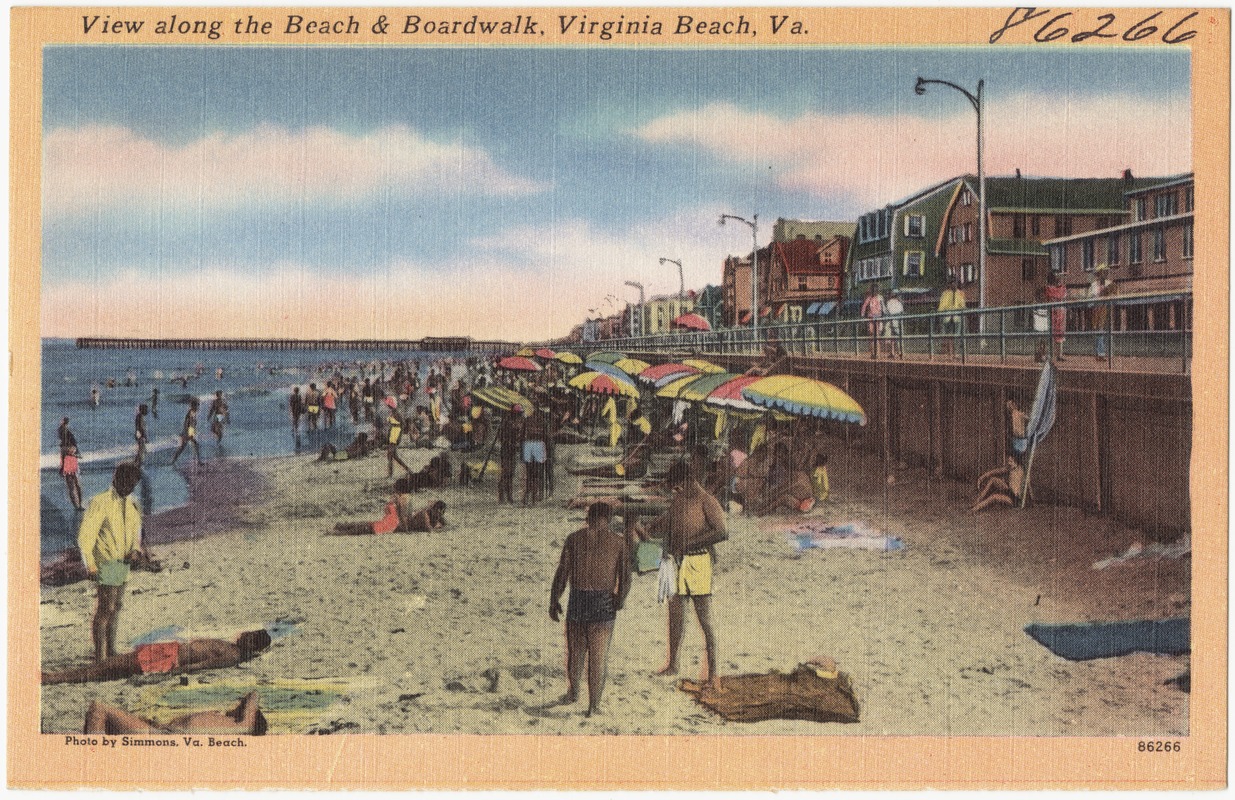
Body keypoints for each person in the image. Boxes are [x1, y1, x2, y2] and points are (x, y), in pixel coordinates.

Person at [645, 462, 728, 691]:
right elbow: (667, 522)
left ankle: (713, 676)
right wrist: (649, 528)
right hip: (677, 561)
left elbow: (721, 532)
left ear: (688, 481)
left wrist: (689, 544)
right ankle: (673, 664)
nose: (676, 490)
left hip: (699, 561)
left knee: (705, 620)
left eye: (678, 486)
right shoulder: (680, 498)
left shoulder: (707, 501)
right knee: (675, 615)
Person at [549, 501, 632, 717]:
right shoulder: (618, 542)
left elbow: (562, 573)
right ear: (610, 519)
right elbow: (625, 577)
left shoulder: (574, 538)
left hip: (578, 597)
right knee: (598, 657)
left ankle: (573, 692)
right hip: (602, 601)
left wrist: (554, 599)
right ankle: (593, 706)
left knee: (575, 652)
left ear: (588, 517)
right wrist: (620, 599)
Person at [77, 462, 143, 663]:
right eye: (128, 482)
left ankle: (111, 650)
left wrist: (135, 551)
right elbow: (85, 536)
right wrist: (90, 564)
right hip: (106, 561)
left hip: (123, 563)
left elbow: (135, 533)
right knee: (105, 608)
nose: (130, 487)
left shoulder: (132, 503)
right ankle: (100, 656)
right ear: (117, 479)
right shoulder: (100, 502)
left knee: (116, 606)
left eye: (133, 484)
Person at [43, 629, 272, 684]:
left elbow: (200, 666)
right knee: (112, 664)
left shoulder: (232, 655)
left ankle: (54, 678)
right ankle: (59, 676)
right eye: (248, 633)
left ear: (252, 646)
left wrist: (168, 673)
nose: (244, 635)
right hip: (169, 651)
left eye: (249, 637)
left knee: (111, 666)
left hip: (169, 658)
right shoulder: (233, 648)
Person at [84, 691, 267, 736]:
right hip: (163, 733)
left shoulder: (240, 727)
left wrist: (247, 709)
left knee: (99, 709)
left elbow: (254, 695)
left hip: (164, 739)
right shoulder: (224, 724)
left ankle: (91, 765)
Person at [1088, 264, 1116, 361]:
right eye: (1102, 273)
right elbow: (1091, 297)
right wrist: (1100, 294)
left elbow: (1115, 294)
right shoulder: (1094, 285)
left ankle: (1107, 352)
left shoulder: (1110, 283)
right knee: (1099, 331)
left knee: (1108, 330)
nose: (1105, 274)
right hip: (1098, 309)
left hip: (1108, 309)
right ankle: (1100, 353)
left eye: (1105, 272)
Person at [497, 406, 524, 504]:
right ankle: (502, 496)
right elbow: (502, 437)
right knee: (506, 473)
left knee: (510, 473)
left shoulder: (516, 422)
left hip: (511, 450)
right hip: (506, 449)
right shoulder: (507, 423)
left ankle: (508, 496)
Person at [383, 396, 412, 478]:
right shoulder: (393, 412)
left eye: (388, 404)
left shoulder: (396, 413)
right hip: (393, 433)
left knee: (391, 454)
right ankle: (407, 470)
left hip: (396, 434)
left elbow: (403, 424)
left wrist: (399, 437)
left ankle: (391, 474)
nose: (387, 406)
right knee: (393, 456)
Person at [938, 276, 967, 357]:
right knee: (947, 335)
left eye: (955, 283)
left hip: (957, 317)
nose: (954, 285)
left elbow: (963, 305)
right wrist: (941, 313)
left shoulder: (960, 293)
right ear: (949, 284)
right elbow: (942, 305)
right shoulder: (945, 293)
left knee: (956, 336)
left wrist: (963, 310)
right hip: (947, 316)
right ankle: (949, 354)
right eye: (952, 283)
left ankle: (955, 353)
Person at [1045, 271, 1069, 362]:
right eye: (1057, 277)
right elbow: (1052, 298)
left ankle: (1059, 354)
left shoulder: (1062, 288)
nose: (1059, 279)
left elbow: (1063, 297)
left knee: (1060, 333)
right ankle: (1050, 354)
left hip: (1061, 312)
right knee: (1052, 332)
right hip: (1053, 312)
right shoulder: (1049, 288)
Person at [170, 399, 202, 466]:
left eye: (198, 405)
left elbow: (192, 423)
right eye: (197, 405)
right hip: (187, 432)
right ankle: (173, 461)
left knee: (190, 446)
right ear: (193, 406)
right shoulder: (190, 413)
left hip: (190, 431)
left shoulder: (193, 412)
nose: (198, 407)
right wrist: (188, 433)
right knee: (185, 447)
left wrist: (193, 431)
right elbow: (186, 423)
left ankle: (173, 461)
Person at [860, 284, 885, 359]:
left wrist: (884, 315)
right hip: (871, 318)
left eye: (875, 290)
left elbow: (883, 307)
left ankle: (877, 353)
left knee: (876, 337)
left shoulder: (880, 297)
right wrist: (862, 315)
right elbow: (864, 307)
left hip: (877, 318)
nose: (874, 292)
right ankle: (873, 353)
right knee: (872, 336)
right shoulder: (869, 298)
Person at [60, 445, 84, 510]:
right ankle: (76, 506)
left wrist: (73, 454)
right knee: (71, 488)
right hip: (67, 469)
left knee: (78, 486)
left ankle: (80, 505)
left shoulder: (72, 444)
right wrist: (61, 469)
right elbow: (62, 459)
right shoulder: (63, 447)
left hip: (74, 467)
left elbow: (80, 456)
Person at [884, 289, 905, 358]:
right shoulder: (899, 303)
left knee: (891, 337)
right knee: (899, 338)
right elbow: (902, 311)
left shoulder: (889, 302)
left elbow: (886, 312)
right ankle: (901, 353)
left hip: (891, 321)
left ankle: (892, 353)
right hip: (898, 320)